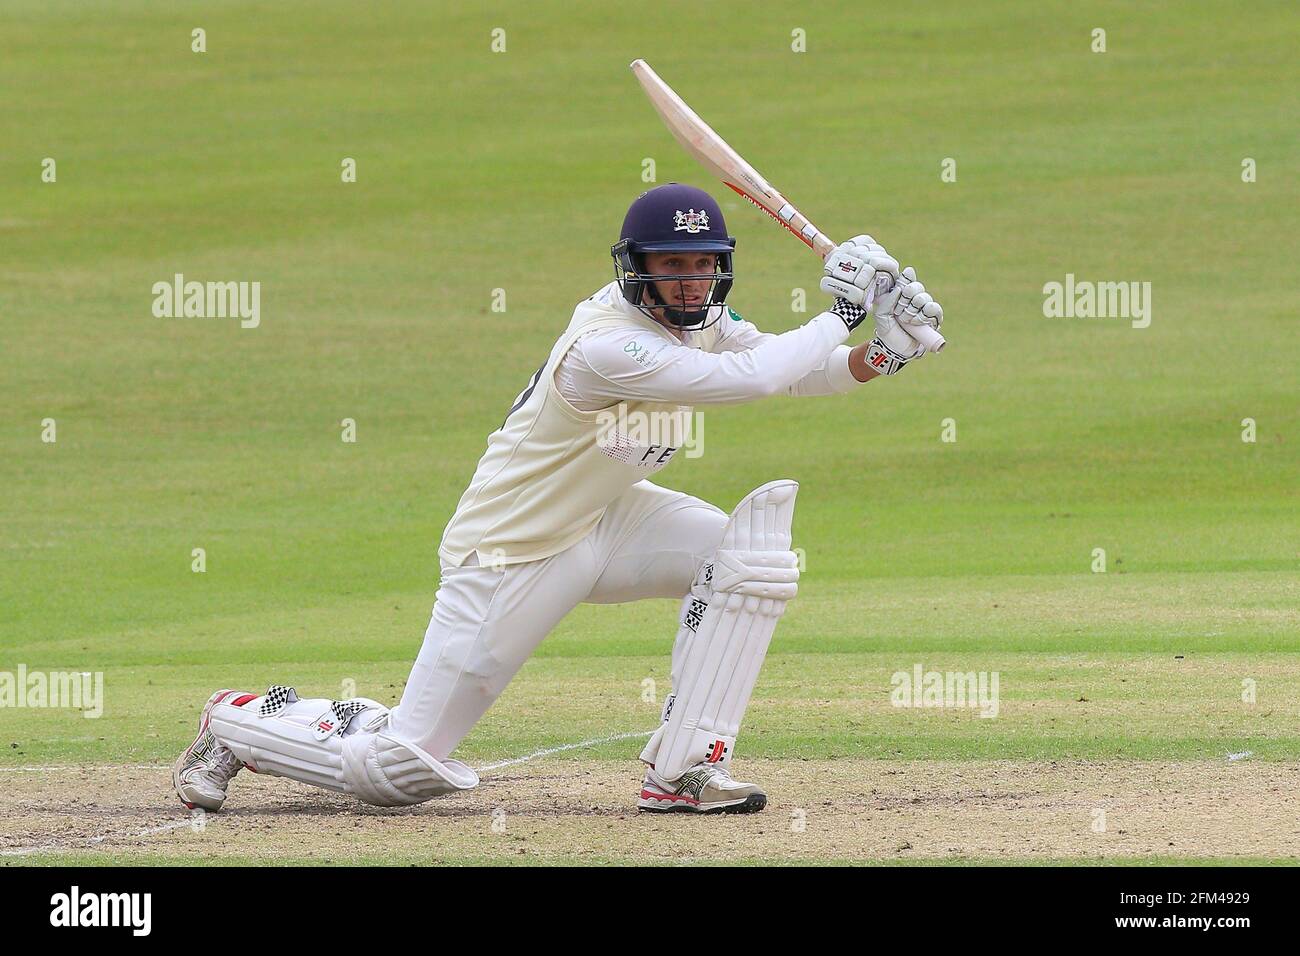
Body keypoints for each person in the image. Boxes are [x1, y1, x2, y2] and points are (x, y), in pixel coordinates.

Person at [172, 183, 944, 815]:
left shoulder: (707, 318)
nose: (690, 280)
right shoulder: (607, 345)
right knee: (398, 768)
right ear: (635, 269)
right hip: (512, 549)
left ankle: (684, 770)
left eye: (703, 264)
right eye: (672, 264)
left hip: (607, 519)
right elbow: (751, 380)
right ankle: (237, 722)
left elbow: (800, 372)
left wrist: (885, 351)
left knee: (748, 557)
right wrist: (844, 308)